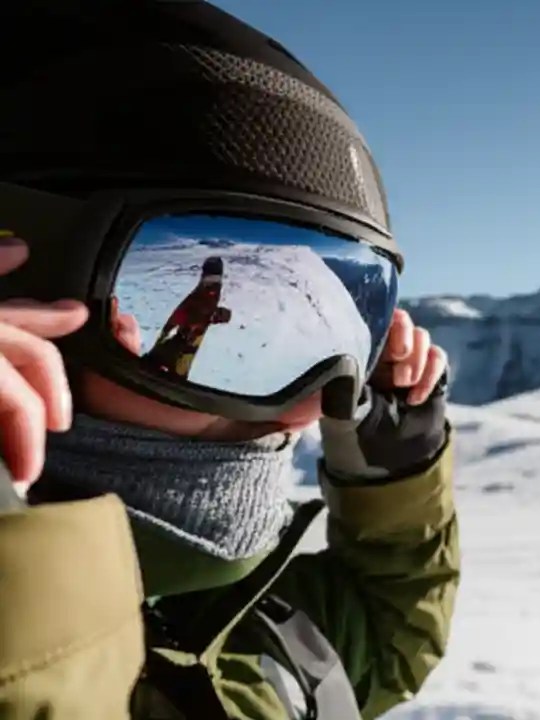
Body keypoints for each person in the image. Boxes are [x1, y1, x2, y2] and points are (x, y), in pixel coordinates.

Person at [0, 2, 459, 719]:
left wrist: (396, 468)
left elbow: (386, 637)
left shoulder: (256, 646)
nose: (316, 408)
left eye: (345, 340)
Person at [143, 256, 234, 379]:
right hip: (173, 355)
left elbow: (186, 316)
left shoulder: (202, 297)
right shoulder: (201, 299)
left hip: (174, 353)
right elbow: (188, 315)